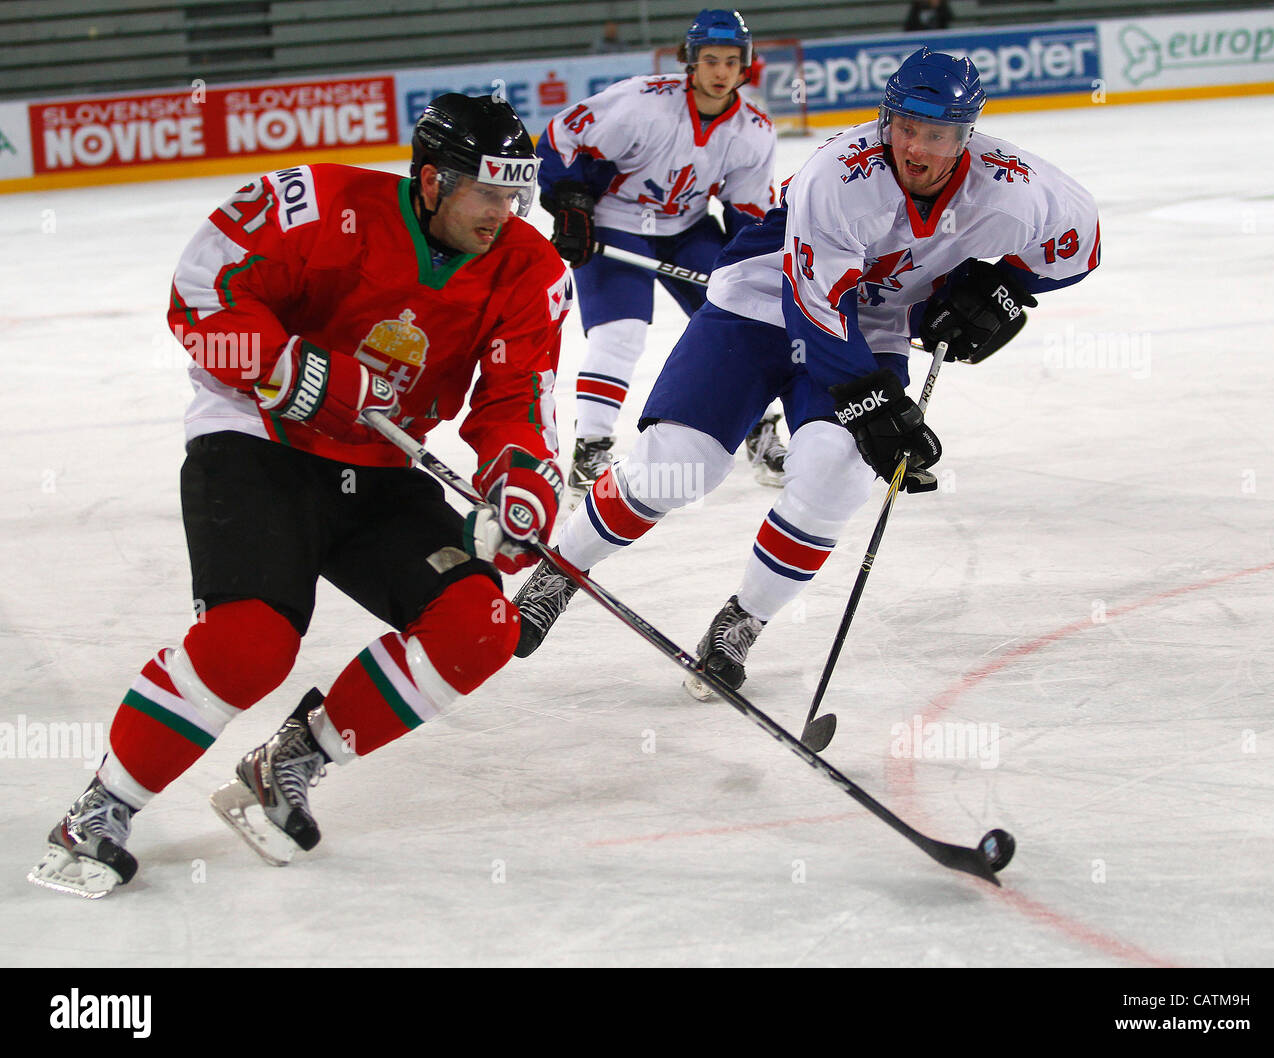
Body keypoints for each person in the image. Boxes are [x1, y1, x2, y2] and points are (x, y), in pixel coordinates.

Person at [28, 94, 570, 898]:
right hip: (258, 437)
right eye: (486, 193)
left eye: (514, 194)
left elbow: (517, 399)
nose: (504, 213)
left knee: (478, 628)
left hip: (380, 464)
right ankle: (101, 808)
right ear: (430, 182)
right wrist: (286, 365)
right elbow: (201, 287)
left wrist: (520, 480)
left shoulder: (529, 268)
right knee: (250, 643)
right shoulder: (323, 202)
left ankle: (292, 760)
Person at [511, 47, 1100, 698]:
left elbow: (1080, 244)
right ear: (886, 119)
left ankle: (742, 622)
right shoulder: (840, 174)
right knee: (680, 462)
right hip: (762, 299)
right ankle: (559, 569)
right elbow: (815, 304)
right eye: (905, 127)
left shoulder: (1012, 187)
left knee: (833, 473)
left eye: (936, 134)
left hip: (872, 326)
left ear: (966, 136)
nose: (916, 147)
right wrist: (871, 404)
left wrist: (1004, 287)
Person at [537, 8, 782, 495]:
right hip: (615, 224)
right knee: (620, 332)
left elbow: (748, 211)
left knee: (746, 317)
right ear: (690, 60)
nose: (720, 72)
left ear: (744, 65)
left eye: (731, 61)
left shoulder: (754, 129)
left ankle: (759, 432)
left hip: (687, 228)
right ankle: (591, 450)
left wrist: (753, 265)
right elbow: (561, 137)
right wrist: (569, 201)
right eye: (710, 59)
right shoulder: (640, 102)